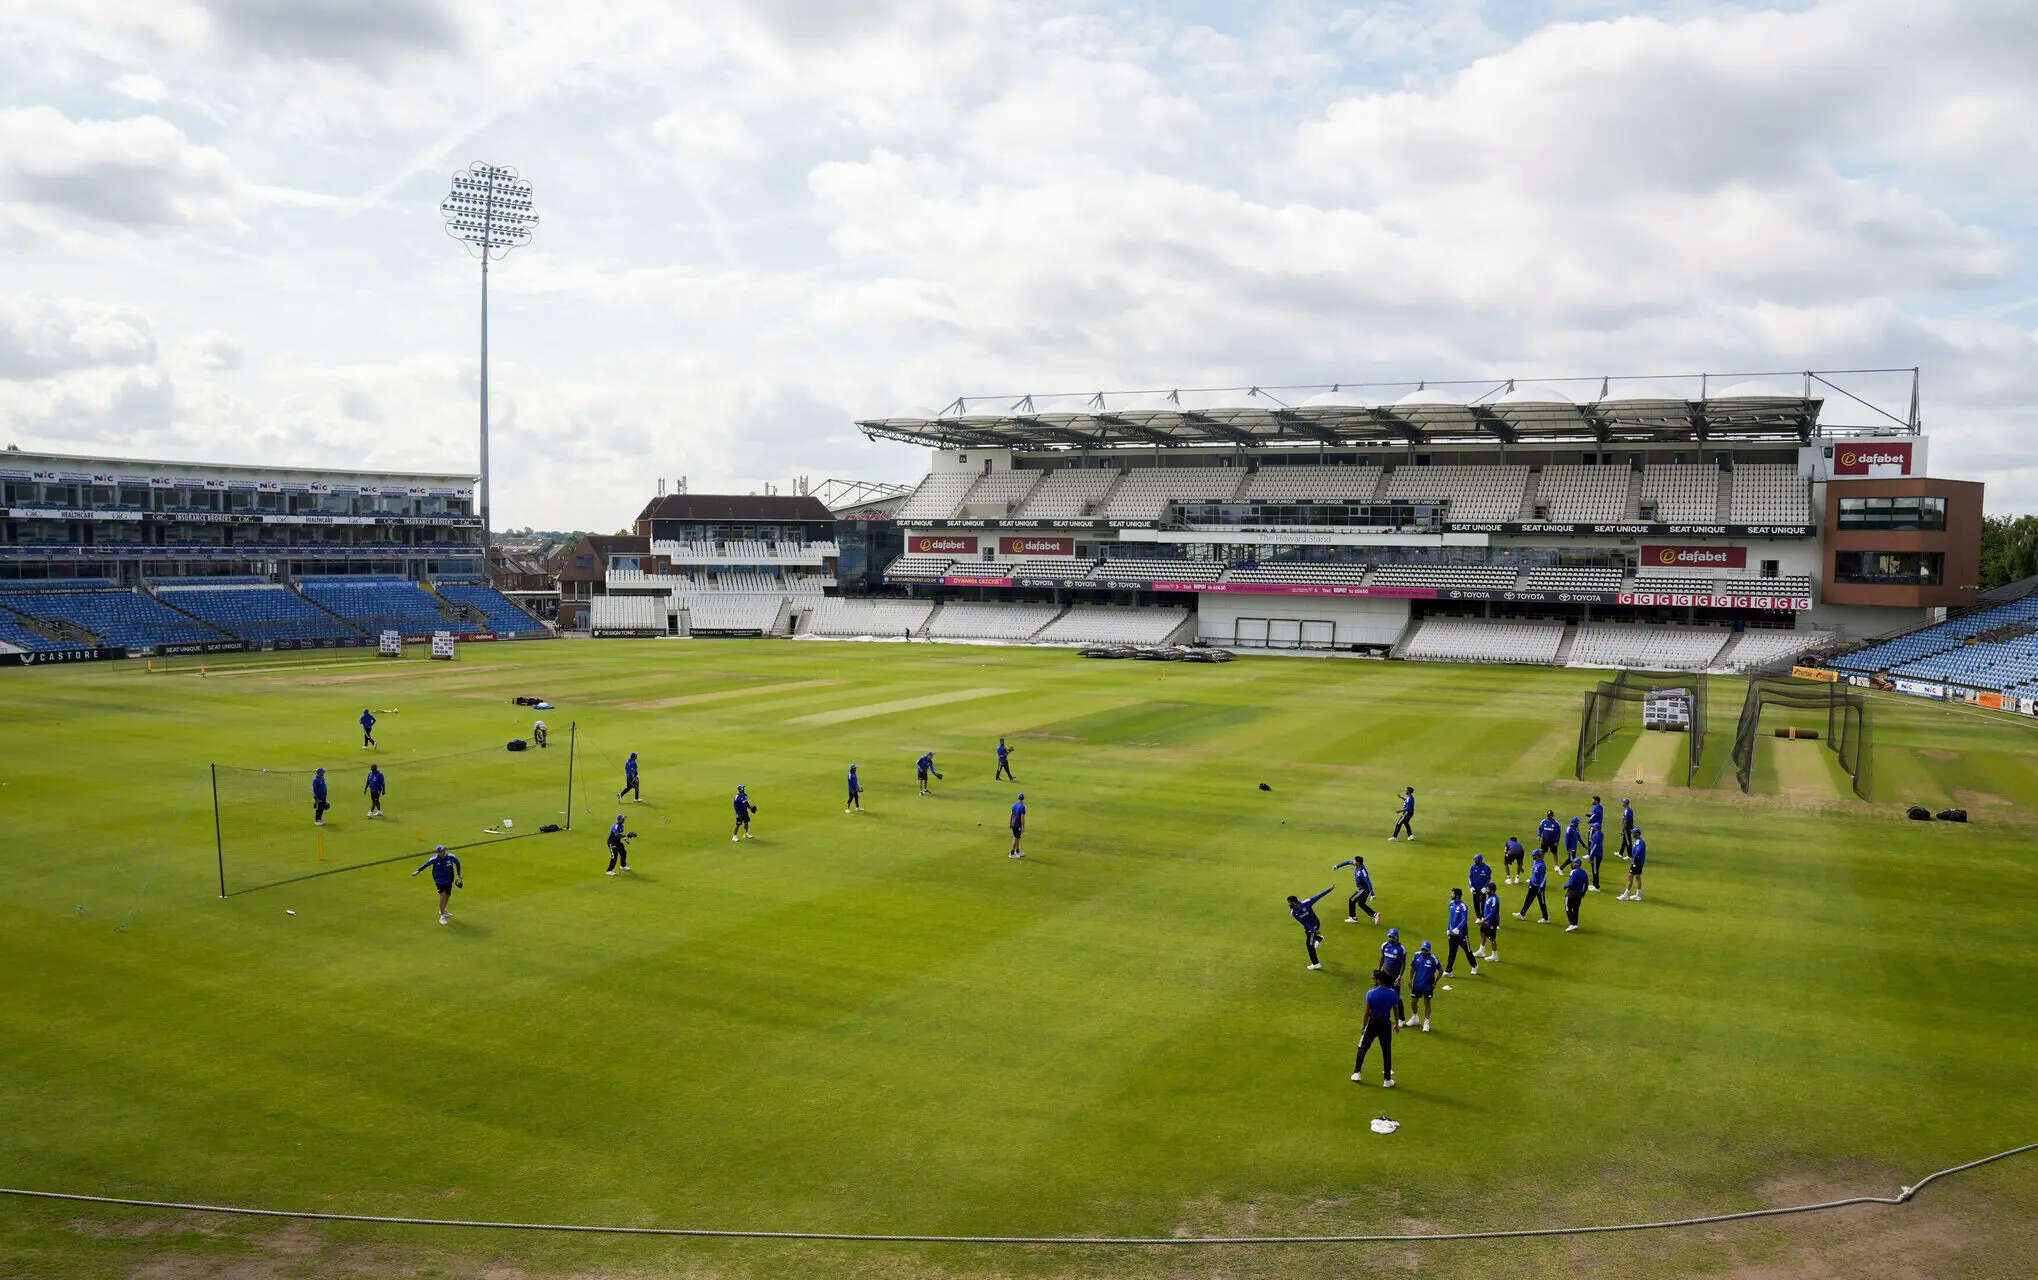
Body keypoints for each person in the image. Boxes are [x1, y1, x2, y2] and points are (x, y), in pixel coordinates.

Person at [1351, 968, 1398, 1086]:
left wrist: (1363, 1025)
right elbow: (1395, 1010)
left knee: (1363, 1047)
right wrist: (1397, 1023)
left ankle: (1357, 1073)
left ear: (1378, 980)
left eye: (1374, 978)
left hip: (1373, 1024)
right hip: (1386, 1024)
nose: (1373, 980)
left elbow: (1366, 1012)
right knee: (1386, 1051)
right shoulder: (1392, 993)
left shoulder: (1370, 993)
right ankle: (1387, 1080)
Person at [411, 844, 461, 924]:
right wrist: (418, 871)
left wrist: (459, 876)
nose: (444, 852)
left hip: (449, 880)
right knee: (443, 895)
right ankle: (442, 916)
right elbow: (426, 864)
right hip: (439, 880)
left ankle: (444, 909)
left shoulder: (451, 857)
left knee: (448, 895)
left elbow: (458, 863)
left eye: (444, 850)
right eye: (441, 851)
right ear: (438, 852)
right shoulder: (434, 858)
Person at [1287, 887, 1334, 970]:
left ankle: (1316, 964)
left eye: (1289, 902)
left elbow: (1318, 896)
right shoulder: (1293, 913)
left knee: (1309, 945)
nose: (1289, 904)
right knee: (1309, 936)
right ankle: (1319, 938)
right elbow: (1303, 922)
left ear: (1294, 902)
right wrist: (1313, 930)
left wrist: (1329, 890)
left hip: (1315, 923)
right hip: (1309, 928)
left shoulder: (1306, 903)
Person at [1334, 855, 1380, 924]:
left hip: (1363, 889)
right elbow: (1347, 862)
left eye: (1355, 861)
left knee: (1351, 900)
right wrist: (1337, 866)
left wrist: (1372, 894)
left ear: (1358, 863)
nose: (1353, 861)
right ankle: (1374, 914)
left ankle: (1353, 918)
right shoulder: (1357, 865)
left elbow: (1368, 882)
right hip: (1362, 889)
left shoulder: (1363, 872)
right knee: (1361, 904)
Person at [1407, 941, 1441, 1031]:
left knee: (1427, 1004)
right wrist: (1410, 980)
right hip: (1417, 984)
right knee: (1413, 1002)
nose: (1423, 951)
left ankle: (1426, 1023)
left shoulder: (1434, 959)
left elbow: (1441, 971)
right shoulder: (1416, 955)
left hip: (1428, 986)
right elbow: (1412, 968)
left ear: (1429, 950)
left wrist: (1435, 982)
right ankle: (1415, 1017)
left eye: (1425, 950)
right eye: (1422, 949)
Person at [1444, 888, 1480, 977]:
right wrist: (1449, 928)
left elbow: (1464, 919)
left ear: (1456, 895)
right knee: (1452, 953)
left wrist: (1458, 928)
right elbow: (1451, 918)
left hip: (1462, 934)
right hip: (1452, 934)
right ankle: (1449, 971)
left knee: (1468, 951)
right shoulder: (1451, 904)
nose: (1451, 895)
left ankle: (1474, 966)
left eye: (1452, 893)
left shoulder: (1463, 906)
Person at [1379, 927, 1408, 1023]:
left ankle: (1401, 1019)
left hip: (1395, 977)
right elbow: (1382, 958)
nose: (1391, 939)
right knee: (1384, 996)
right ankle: (1384, 1016)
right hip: (1386, 975)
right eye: (1389, 937)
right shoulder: (1384, 945)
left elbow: (1403, 964)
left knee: (1396, 998)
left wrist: (1400, 976)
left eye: (1393, 937)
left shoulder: (1401, 949)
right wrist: (1379, 970)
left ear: (1397, 937)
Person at [1515, 849, 1550, 923]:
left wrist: (1541, 887)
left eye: (1534, 855)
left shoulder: (1542, 865)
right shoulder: (1535, 862)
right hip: (1533, 885)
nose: (1532, 856)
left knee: (1542, 902)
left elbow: (1543, 877)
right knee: (1528, 899)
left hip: (1539, 886)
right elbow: (1533, 874)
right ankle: (1522, 914)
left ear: (1538, 856)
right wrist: (1530, 881)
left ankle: (1545, 918)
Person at [1619, 828, 1647, 900]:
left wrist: (1633, 858)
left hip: (1637, 862)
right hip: (1639, 862)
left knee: (1630, 877)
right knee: (1637, 877)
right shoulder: (1639, 841)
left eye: (1633, 833)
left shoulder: (1639, 842)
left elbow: (1638, 850)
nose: (1632, 834)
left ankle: (1626, 895)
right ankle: (1638, 895)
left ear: (1637, 834)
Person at [1563, 856, 1589, 931]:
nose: (1572, 864)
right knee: (1576, 909)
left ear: (1576, 864)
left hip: (1571, 893)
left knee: (1567, 907)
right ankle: (1575, 924)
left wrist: (1565, 886)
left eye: (1573, 863)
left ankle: (1572, 924)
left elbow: (1571, 883)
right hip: (1579, 894)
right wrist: (1583, 893)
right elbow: (1586, 884)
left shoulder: (1573, 872)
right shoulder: (1584, 872)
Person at [1478, 882, 1501, 961]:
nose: (1487, 890)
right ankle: (1481, 951)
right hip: (1486, 921)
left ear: (1492, 890)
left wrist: (1484, 920)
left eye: (1488, 889)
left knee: (1492, 938)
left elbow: (1493, 912)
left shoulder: (1494, 899)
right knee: (1482, 933)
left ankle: (1495, 956)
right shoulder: (1490, 896)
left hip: (1491, 922)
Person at [1468, 852, 1494, 918]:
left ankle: (1483, 916)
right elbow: (1470, 877)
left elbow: (1489, 878)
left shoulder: (1486, 868)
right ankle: (1478, 917)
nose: (1474, 861)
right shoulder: (1473, 867)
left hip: (1483, 889)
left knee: (1483, 903)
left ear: (1480, 860)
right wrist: (1471, 887)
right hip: (1475, 888)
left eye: (1475, 860)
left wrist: (1485, 887)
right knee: (1476, 903)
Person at [1586, 821, 1606, 891]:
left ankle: (1597, 886)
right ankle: (1594, 884)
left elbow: (1594, 847)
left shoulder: (1595, 835)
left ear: (1596, 828)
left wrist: (1590, 857)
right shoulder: (1601, 834)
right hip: (1599, 854)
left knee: (1595, 871)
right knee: (1595, 870)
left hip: (1595, 856)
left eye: (1594, 827)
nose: (1593, 827)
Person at [1008, 793, 1026, 858]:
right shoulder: (1023, 807)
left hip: (1013, 824)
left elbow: (1011, 815)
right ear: (1023, 799)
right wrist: (1023, 827)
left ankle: (1018, 852)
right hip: (1017, 825)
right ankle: (1012, 853)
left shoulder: (1014, 805)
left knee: (1018, 837)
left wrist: (1010, 823)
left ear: (1018, 798)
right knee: (1016, 838)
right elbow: (1022, 818)